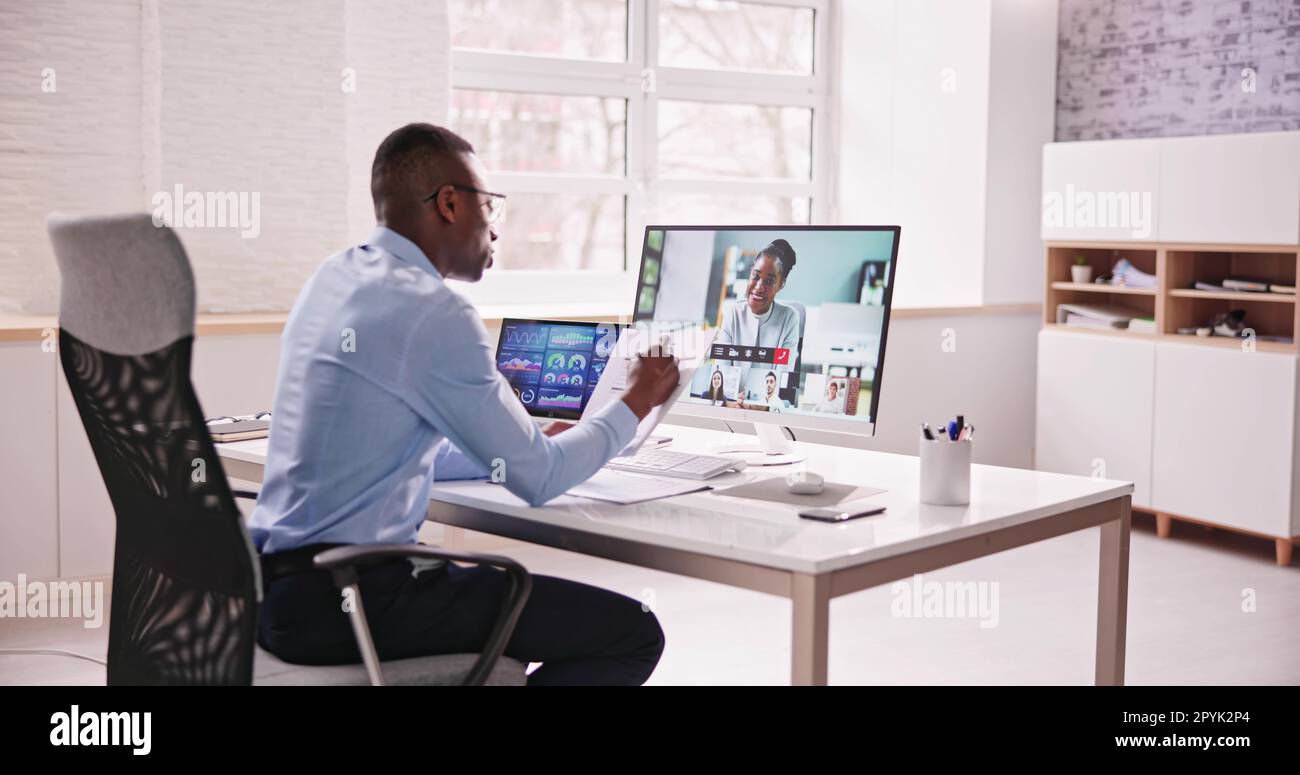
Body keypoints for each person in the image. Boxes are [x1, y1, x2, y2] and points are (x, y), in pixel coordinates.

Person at [248, 123, 680, 686]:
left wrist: (505, 450)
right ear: (449, 203)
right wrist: (636, 400)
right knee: (633, 632)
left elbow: (384, 447)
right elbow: (541, 480)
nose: (495, 227)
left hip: (280, 594)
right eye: (489, 205)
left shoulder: (335, 276)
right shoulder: (433, 310)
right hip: (357, 600)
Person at [715, 239, 801, 360]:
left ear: (781, 284)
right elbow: (722, 368)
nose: (759, 287)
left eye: (769, 281)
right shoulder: (733, 313)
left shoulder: (789, 318)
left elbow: (784, 368)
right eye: (755, 276)